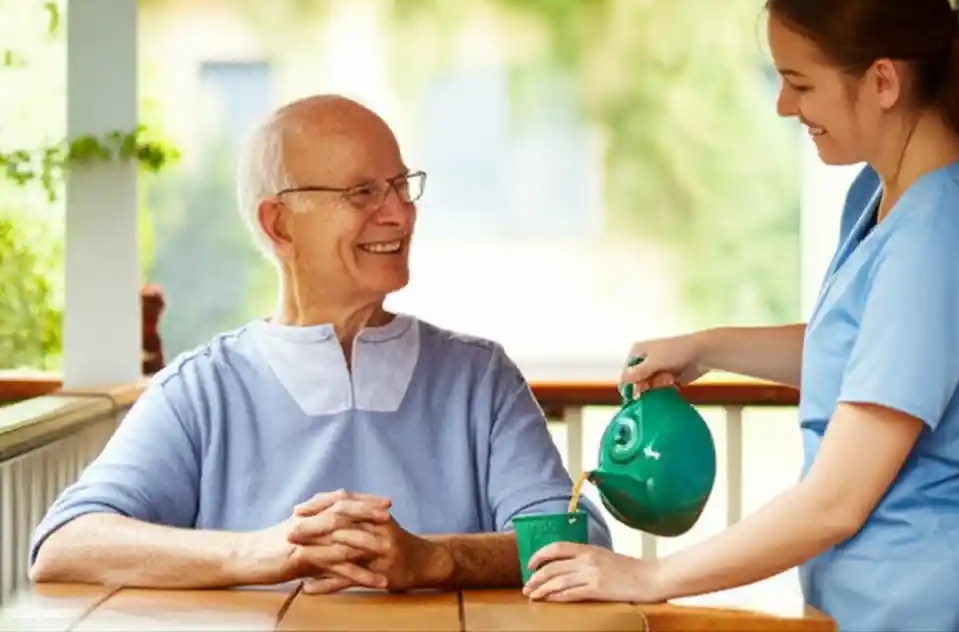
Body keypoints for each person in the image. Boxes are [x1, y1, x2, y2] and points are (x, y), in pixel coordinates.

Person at [520, 0, 959, 631]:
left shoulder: (940, 238)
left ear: (883, 81)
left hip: (946, 607)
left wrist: (651, 576)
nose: (784, 105)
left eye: (800, 82)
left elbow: (837, 498)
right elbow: (866, 362)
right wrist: (709, 349)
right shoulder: (884, 193)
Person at [28, 94, 611, 593]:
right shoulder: (201, 390)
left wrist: (434, 559)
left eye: (401, 185)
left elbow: (576, 540)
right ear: (279, 224)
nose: (401, 213)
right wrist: (259, 553)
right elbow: (66, 544)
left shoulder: (479, 378)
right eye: (363, 193)